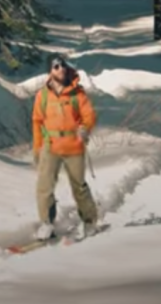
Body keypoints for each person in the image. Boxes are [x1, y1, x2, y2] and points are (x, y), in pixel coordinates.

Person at [31, 53, 100, 241]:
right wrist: (37, 148)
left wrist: (85, 129)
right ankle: (46, 223)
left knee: (79, 186)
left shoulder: (77, 93)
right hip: (50, 145)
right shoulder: (42, 95)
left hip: (73, 145)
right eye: (55, 66)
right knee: (44, 187)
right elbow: (37, 122)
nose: (60, 69)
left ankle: (89, 222)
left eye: (62, 65)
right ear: (50, 71)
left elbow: (89, 116)